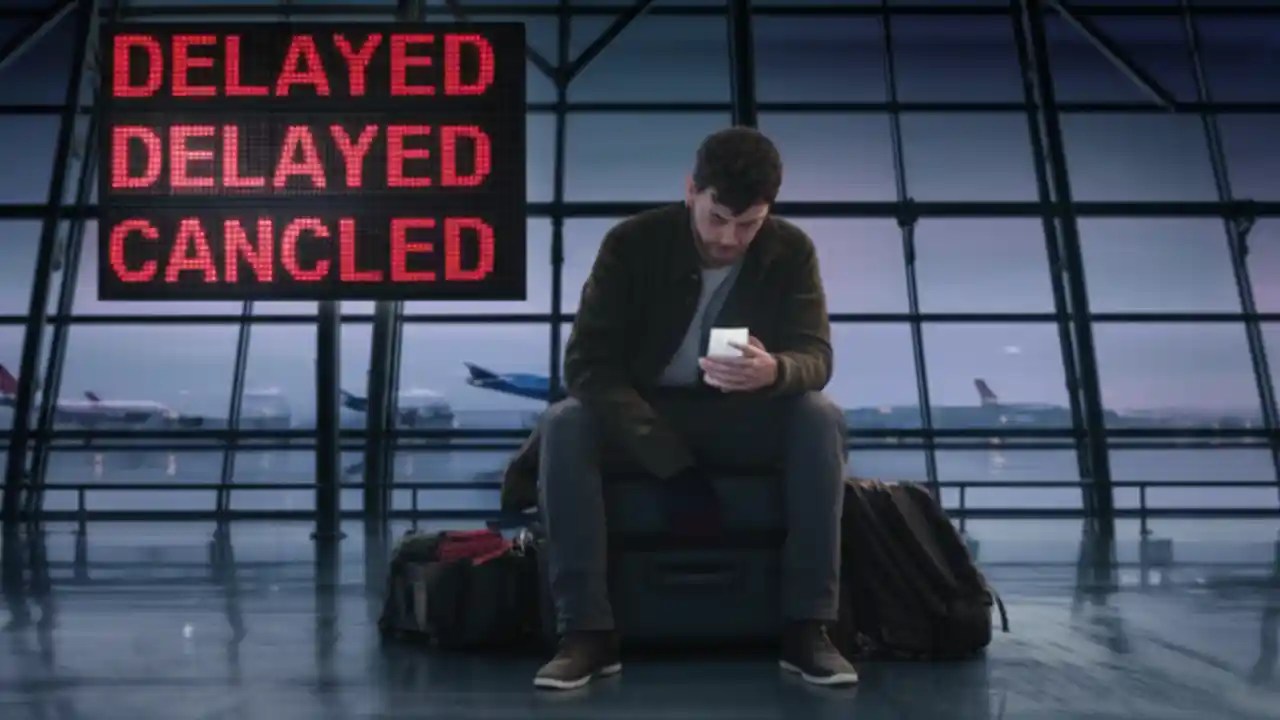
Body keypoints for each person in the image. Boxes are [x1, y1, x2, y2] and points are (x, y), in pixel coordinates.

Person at [526, 127, 856, 690]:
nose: (730, 239)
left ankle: (808, 628)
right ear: (690, 191)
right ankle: (585, 632)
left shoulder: (791, 248)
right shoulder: (632, 243)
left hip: (741, 413)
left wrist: (775, 370)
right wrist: (669, 461)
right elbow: (587, 367)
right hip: (642, 416)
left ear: (768, 210)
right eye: (718, 218)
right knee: (565, 421)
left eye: (749, 223)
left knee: (819, 415)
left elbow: (816, 357)